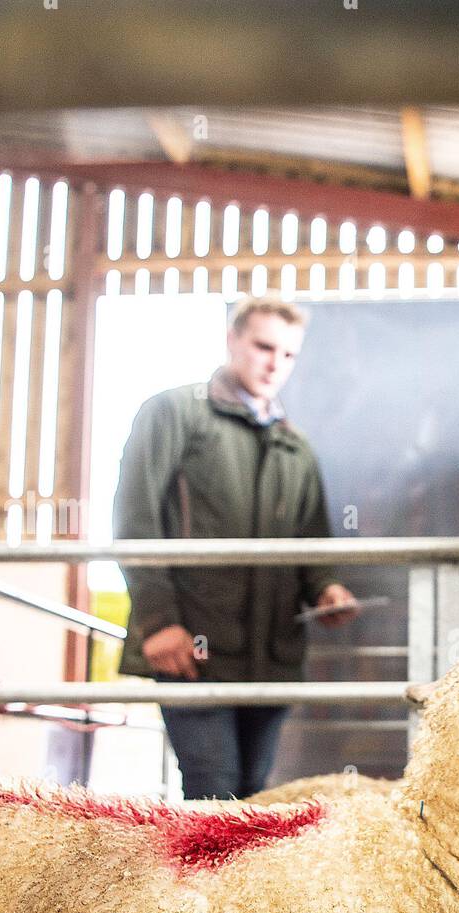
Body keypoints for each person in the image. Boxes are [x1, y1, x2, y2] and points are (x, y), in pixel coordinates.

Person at [114, 296, 356, 799]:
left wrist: (326, 589)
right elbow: (134, 518)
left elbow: (312, 544)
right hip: (193, 646)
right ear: (231, 340)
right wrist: (158, 624)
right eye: (263, 346)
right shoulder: (172, 413)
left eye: (288, 355)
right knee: (212, 791)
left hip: (272, 655)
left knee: (251, 794)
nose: (274, 364)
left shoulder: (296, 447)